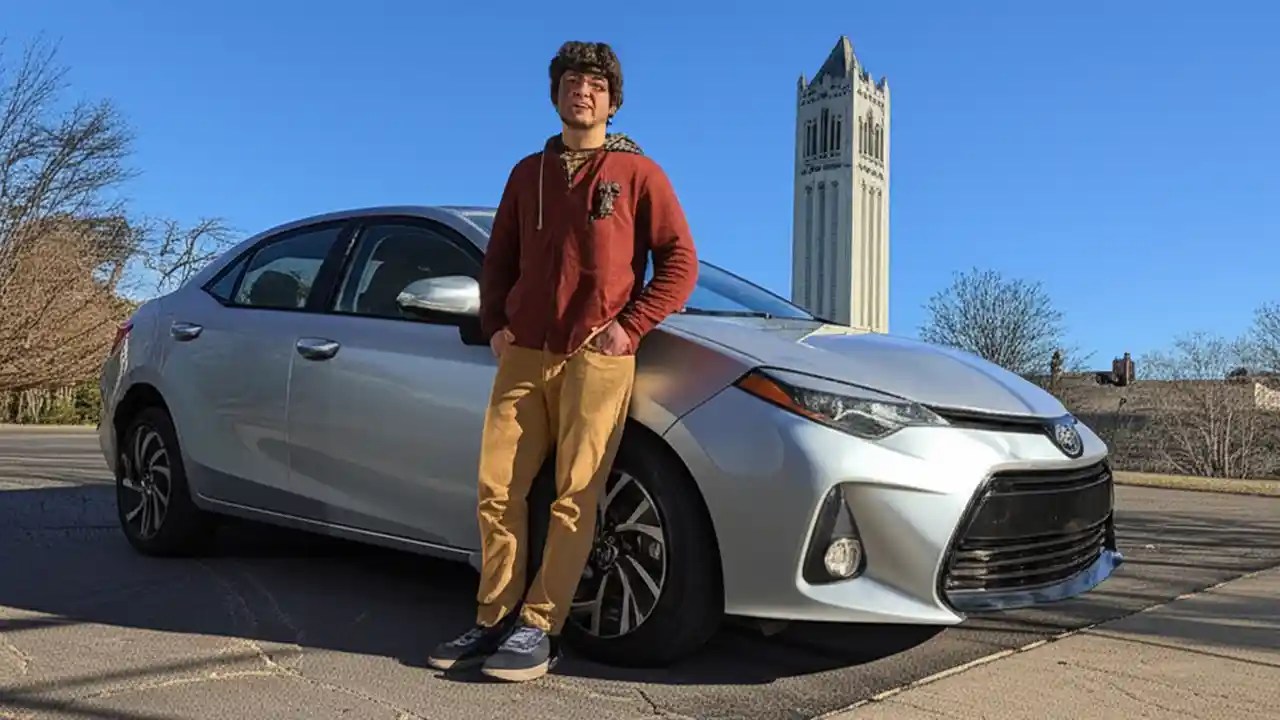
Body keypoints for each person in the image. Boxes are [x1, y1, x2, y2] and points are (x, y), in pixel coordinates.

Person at [427, 41, 698, 682]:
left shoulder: (640, 176)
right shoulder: (527, 173)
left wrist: (629, 327)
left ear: (612, 99)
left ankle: (538, 626)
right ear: (555, 95)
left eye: (597, 84)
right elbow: (499, 261)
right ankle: (493, 615)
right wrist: (496, 326)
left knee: (575, 498)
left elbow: (679, 262)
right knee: (498, 490)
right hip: (524, 354)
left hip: (596, 357)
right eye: (573, 81)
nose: (584, 91)